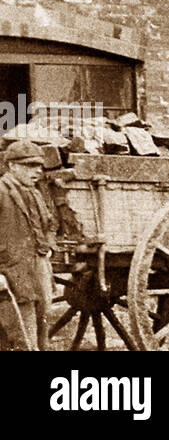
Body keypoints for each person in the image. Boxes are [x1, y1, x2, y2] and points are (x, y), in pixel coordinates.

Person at [0, 140, 57, 350]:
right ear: (12, 166)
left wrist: (47, 248)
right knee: (20, 328)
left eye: (39, 166)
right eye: (29, 166)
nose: (37, 171)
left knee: (42, 316)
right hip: (11, 271)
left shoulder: (35, 193)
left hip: (38, 267)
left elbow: (50, 223)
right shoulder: (1, 192)